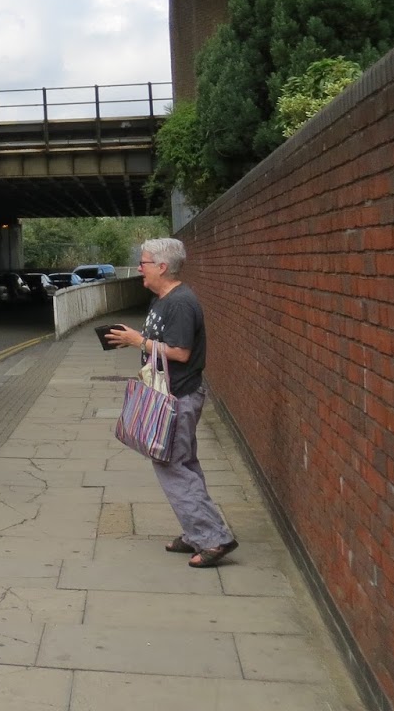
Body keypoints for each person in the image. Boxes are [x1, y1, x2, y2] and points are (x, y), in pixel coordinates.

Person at [105, 238, 238, 569]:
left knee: (173, 467)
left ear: (162, 267)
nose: (140, 268)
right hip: (170, 396)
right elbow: (164, 343)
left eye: (144, 262)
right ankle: (197, 532)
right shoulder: (163, 300)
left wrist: (141, 341)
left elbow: (181, 353)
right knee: (185, 465)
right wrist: (136, 340)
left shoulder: (180, 303)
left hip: (177, 399)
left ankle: (213, 539)